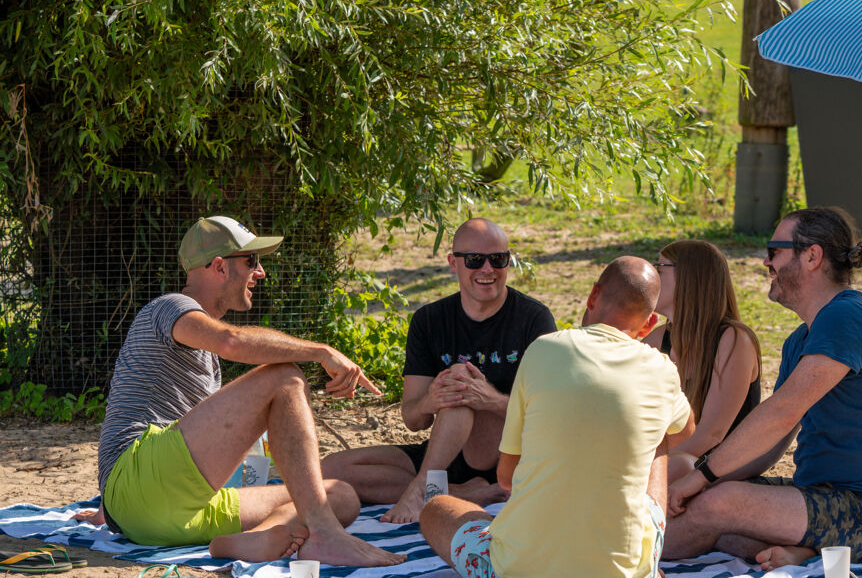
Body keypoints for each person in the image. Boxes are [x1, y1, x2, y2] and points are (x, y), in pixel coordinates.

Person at [97, 216, 402, 567]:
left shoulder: (203, 353)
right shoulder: (169, 306)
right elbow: (232, 341)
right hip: (138, 485)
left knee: (339, 495)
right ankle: (325, 536)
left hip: (167, 514)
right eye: (251, 261)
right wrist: (322, 352)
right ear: (219, 267)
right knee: (285, 377)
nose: (260, 273)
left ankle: (249, 539)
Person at [663, 207, 862, 570]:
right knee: (713, 507)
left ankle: (618, 551)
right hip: (823, 497)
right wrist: (701, 479)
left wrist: (703, 478)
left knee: (719, 504)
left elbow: (781, 413)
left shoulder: (846, 316)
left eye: (774, 251)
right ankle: (810, 552)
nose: (766, 262)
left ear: (812, 256)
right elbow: (772, 443)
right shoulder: (800, 340)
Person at [419, 256, 694, 578]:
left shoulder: (543, 350)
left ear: (593, 296)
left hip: (517, 569)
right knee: (659, 433)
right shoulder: (660, 369)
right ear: (649, 325)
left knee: (436, 508)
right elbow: (686, 429)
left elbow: (507, 478)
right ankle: (645, 565)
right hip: (619, 570)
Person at [321, 218, 556, 523]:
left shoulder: (534, 319)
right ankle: (457, 491)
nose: (487, 269)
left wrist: (488, 399)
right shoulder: (429, 320)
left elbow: (549, 417)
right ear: (453, 263)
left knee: (460, 380)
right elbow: (413, 419)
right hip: (443, 454)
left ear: (508, 262)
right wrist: (432, 400)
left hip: (504, 455)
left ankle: (421, 489)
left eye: (498, 259)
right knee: (330, 469)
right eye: (475, 260)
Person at [644, 240, 761, 482]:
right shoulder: (657, 338)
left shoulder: (733, 340)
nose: (651, 277)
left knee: (679, 465)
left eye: (660, 269)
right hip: (670, 463)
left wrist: (645, 468)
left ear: (690, 278)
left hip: (714, 473)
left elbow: (711, 434)